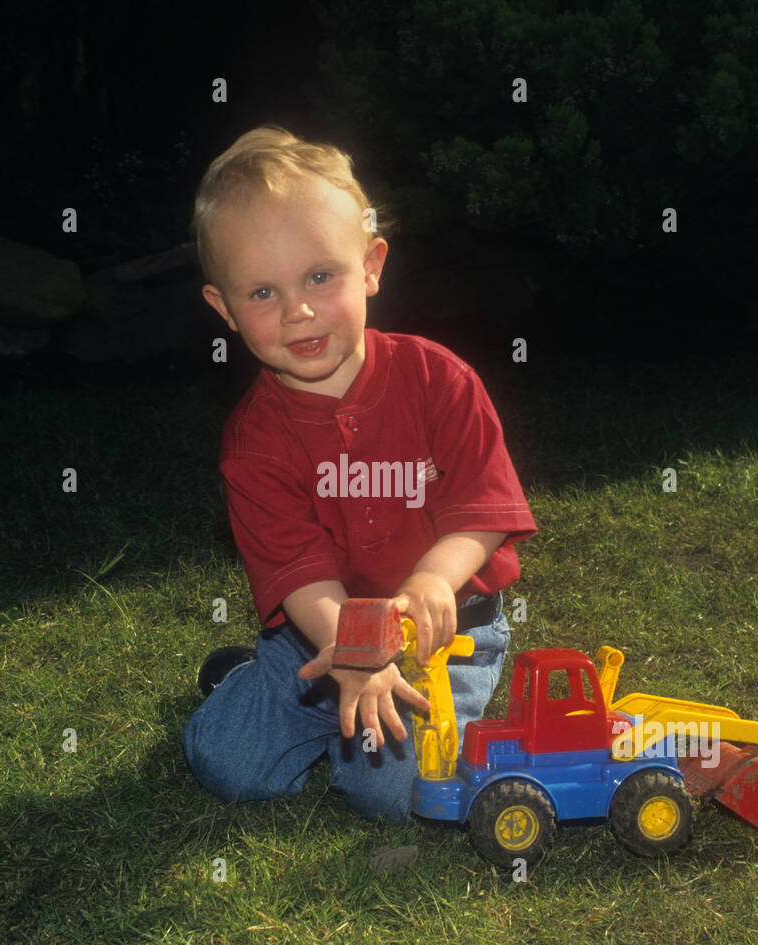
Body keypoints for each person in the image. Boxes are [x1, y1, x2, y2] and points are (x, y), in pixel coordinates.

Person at [181, 126, 537, 820]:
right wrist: (348, 646)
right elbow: (297, 569)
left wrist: (434, 577)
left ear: (371, 265)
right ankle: (256, 687)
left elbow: (484, 508)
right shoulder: (252, 442)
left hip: (444, 632)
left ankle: (356, 728)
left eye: (321, 275)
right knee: (222, 760)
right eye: (262, 291)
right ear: (222, 308)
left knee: (398, 790)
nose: (299, 310)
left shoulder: (441, 380)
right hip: (316, 633)